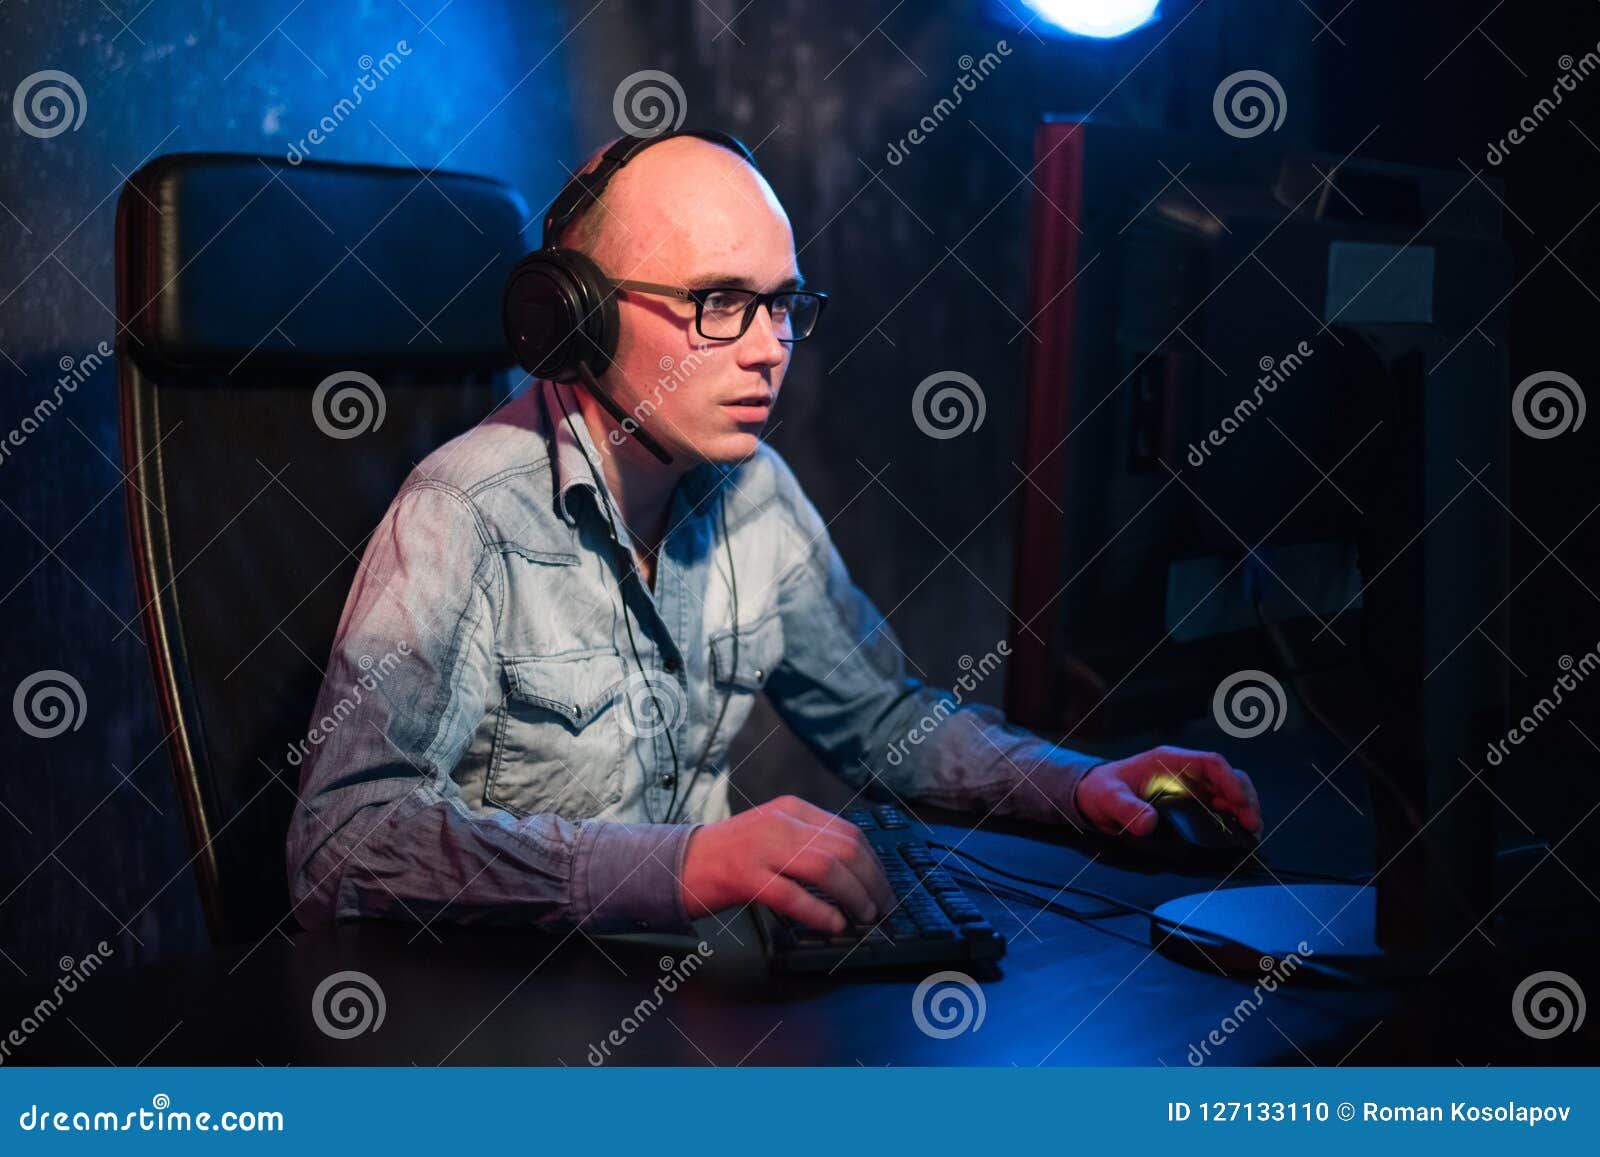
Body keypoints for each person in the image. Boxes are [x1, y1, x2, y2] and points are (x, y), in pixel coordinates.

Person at [285, 131, 1261, 938]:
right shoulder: (464, 513)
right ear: (570, 322)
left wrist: (1076, 783)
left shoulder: (752, 489)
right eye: (719, 302)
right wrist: (678, 866)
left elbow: (882, 721)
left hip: (689, 1009)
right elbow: (342, 844)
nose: (767, 349)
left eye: (782, 304)